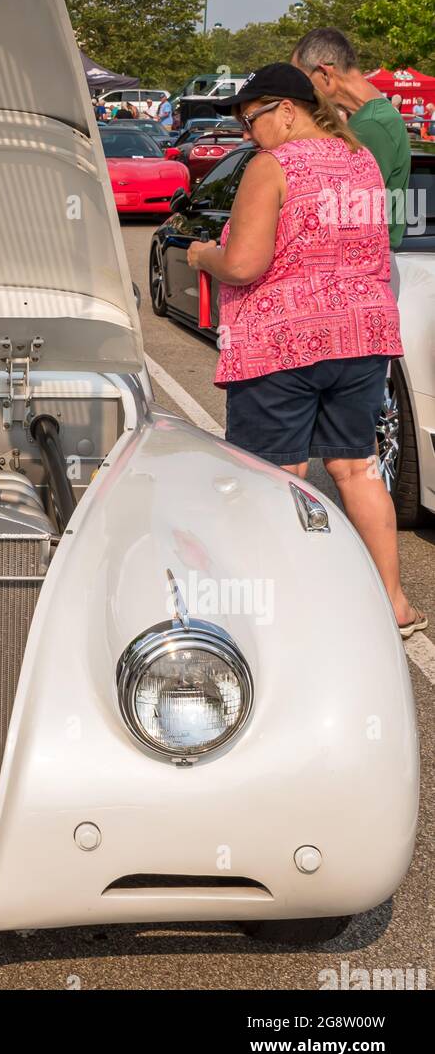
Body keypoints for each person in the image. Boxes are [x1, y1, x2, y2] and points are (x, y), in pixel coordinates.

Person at [186, 63, 425, 639]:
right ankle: (393, 601)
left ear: (287, 110)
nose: (246, 134)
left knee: (275, 475)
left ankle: (276, 613)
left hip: (284, 341)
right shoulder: (362, 160)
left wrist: (202, 255)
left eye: (251, 120)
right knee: (357, 467)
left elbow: (244, 262)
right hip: (362, 337)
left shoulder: (273, 166)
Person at [291, 29, 411, 283]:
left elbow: (345, 210)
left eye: (302, 79)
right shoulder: (372, 117)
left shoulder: (373, 125)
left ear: (325, 73)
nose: (301, 90)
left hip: (364, 270)